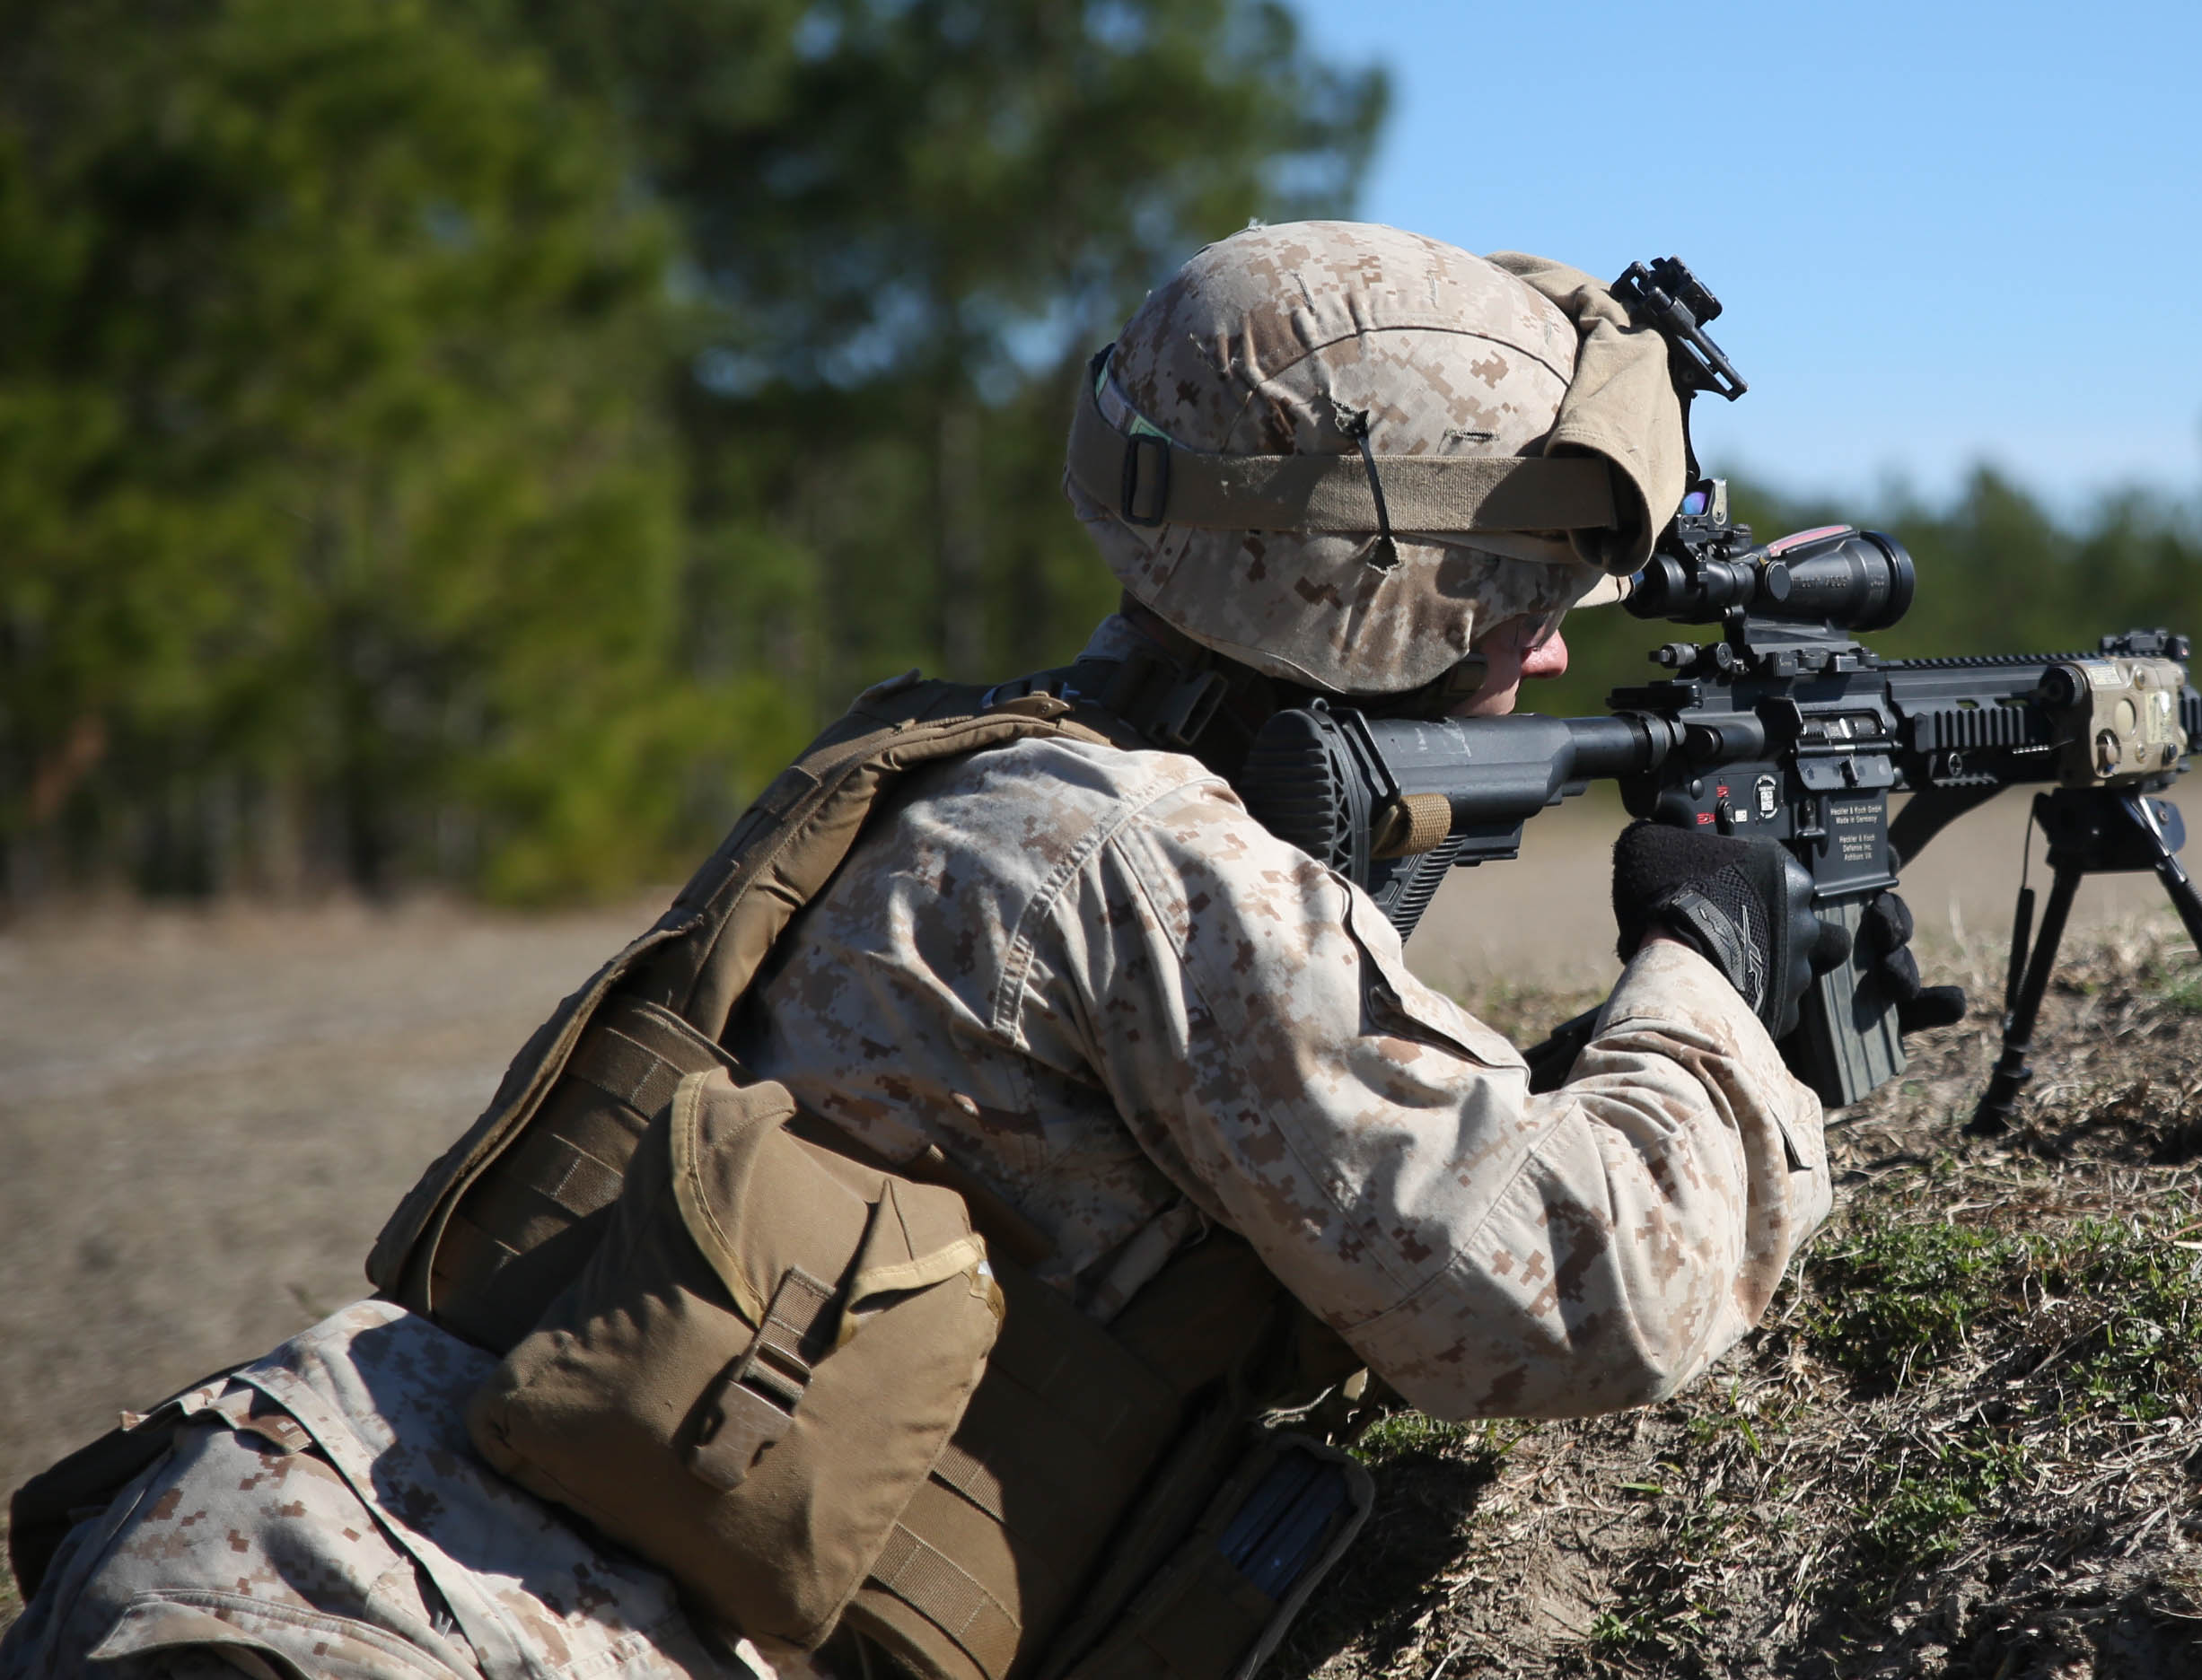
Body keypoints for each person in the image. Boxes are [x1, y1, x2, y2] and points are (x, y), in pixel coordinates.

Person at [1, 223, 1872, 1680]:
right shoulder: (1140, 862)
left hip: (297, 1529)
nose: (1545, 645)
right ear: (1361, 573)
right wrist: (1708, 958)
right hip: (433, 1627)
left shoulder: (966, 757)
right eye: (1513, 582)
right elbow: (1580, 1289)